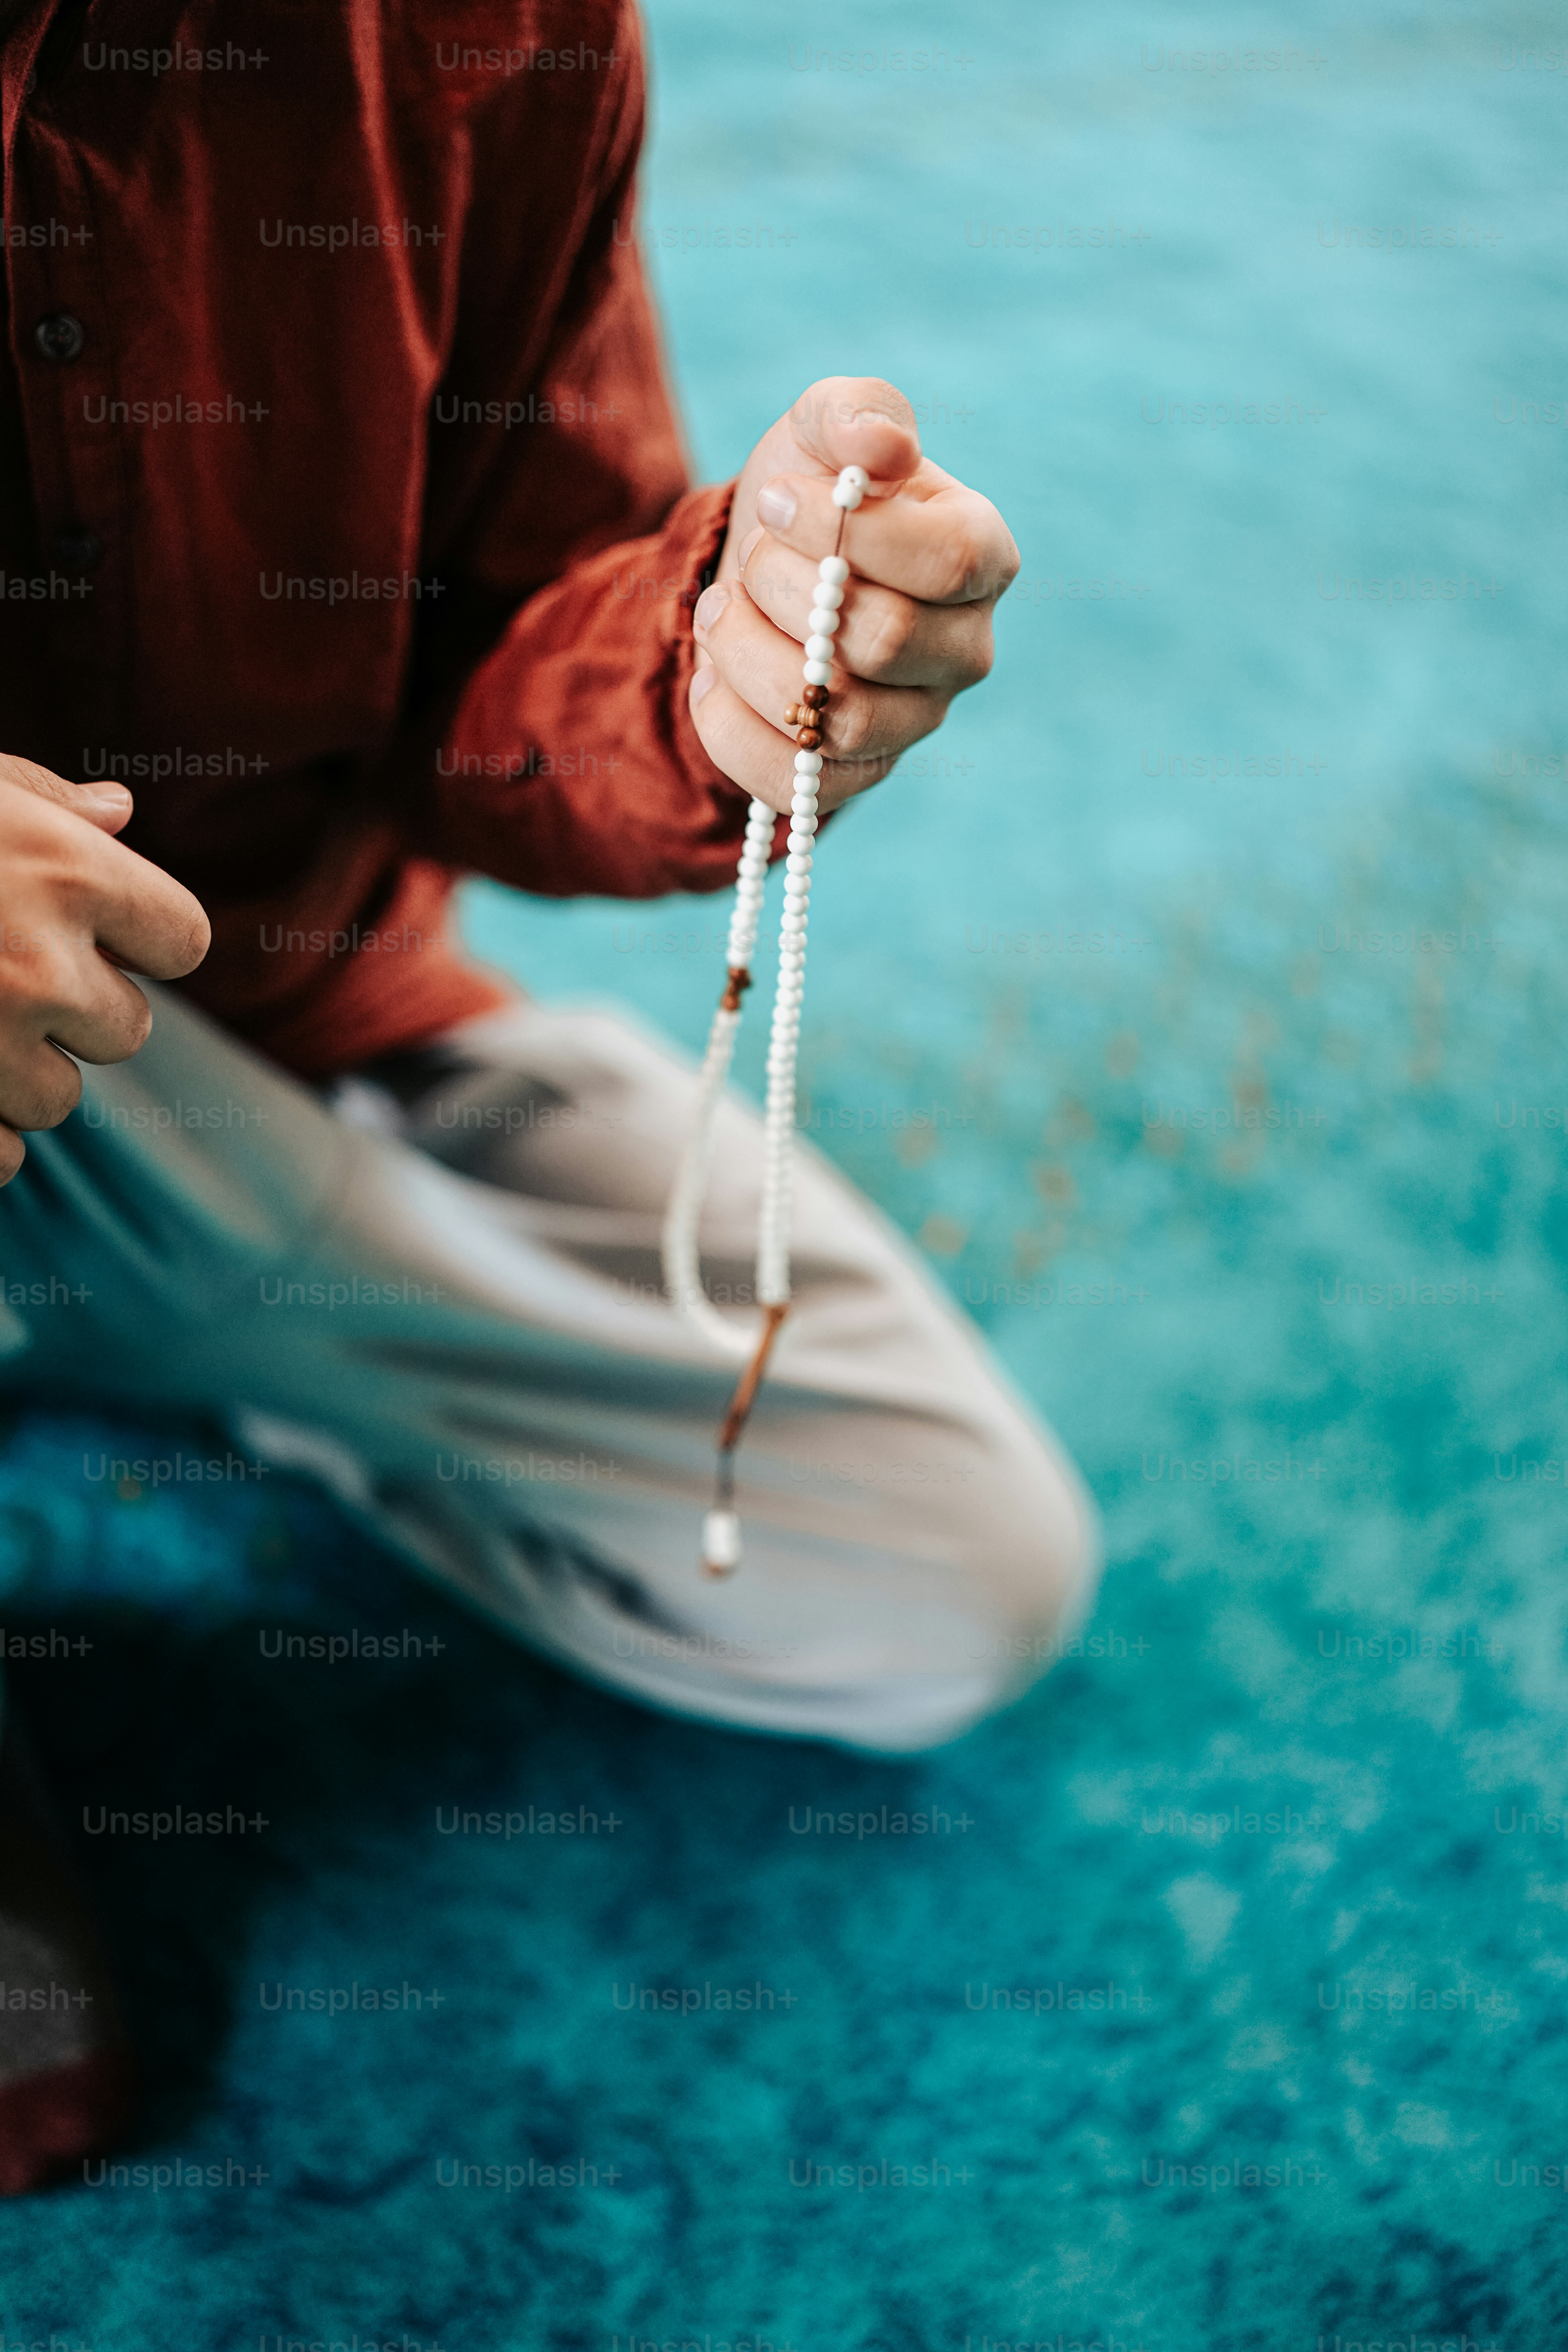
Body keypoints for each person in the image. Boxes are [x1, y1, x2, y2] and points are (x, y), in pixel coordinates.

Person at [0, 0, 1097, 2189]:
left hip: (252, 1035)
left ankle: (227, 1328)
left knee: (940, 1577)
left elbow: (495, 636)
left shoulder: (476, 26)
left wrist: (716, 663)